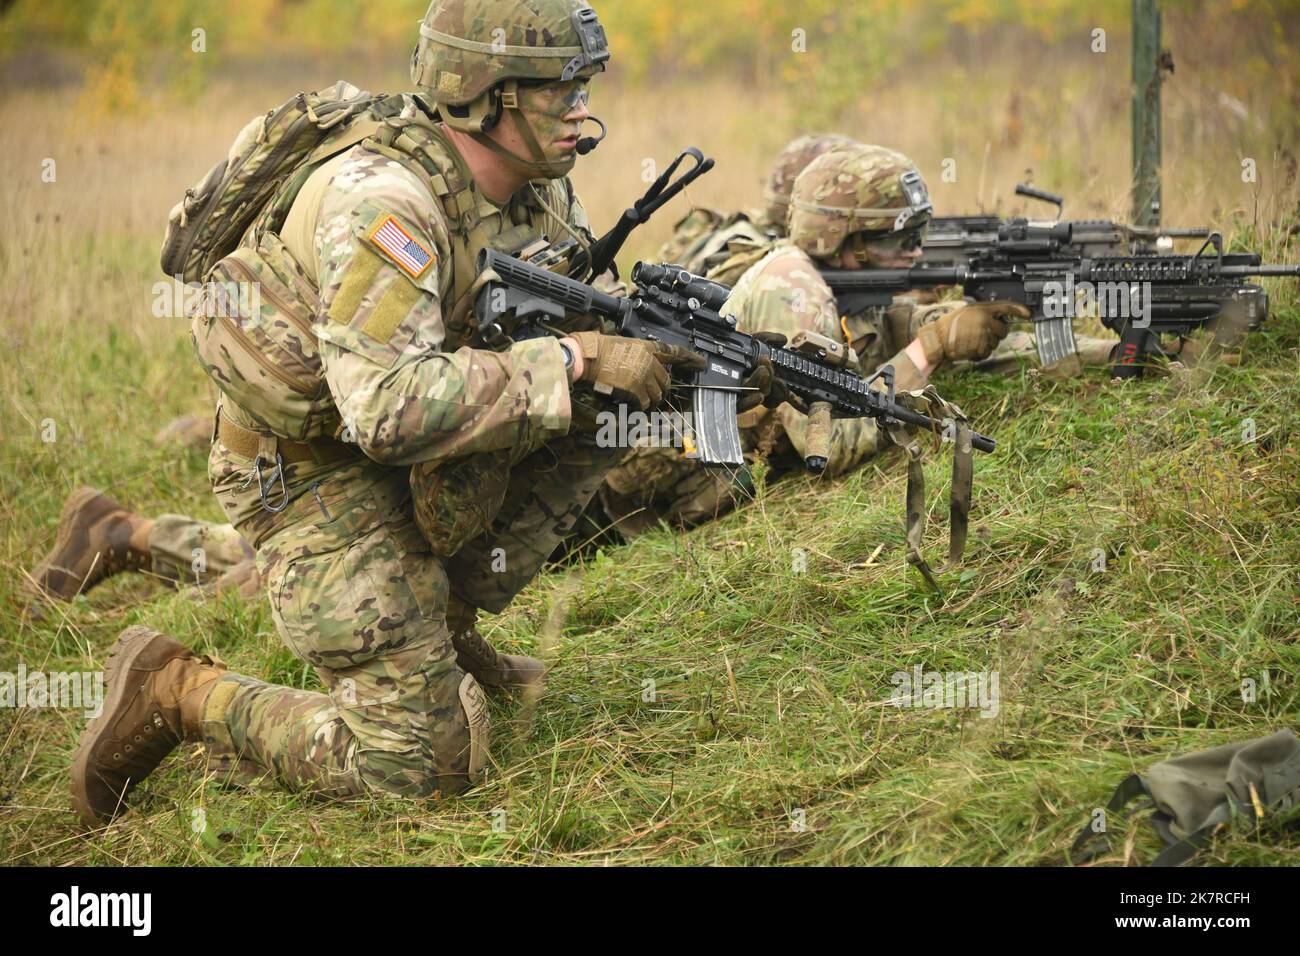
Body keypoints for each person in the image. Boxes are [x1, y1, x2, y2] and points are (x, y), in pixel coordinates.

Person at [70, 0, 707, 826]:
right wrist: (574, 358)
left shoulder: (537, 193)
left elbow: (545, 332)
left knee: (597, 409)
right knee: (424, 770)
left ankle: (433, 630)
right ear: (487, 96)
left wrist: (666, 352)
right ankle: (175, 689)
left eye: (587, 83)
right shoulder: (386, 205)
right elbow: (387, 410)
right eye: (560, 88)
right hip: (305, 472)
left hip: (400, 452)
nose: (582, 106)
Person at [598, 143, 1034, 533]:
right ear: (845, 238)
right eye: (901, 239)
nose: (916, 251)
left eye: (918, 235)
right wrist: (932, 347)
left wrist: (951, 324)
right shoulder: (793, 289)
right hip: (611, 502)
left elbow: (880, 332)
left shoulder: (842, 281)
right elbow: (832, 446)